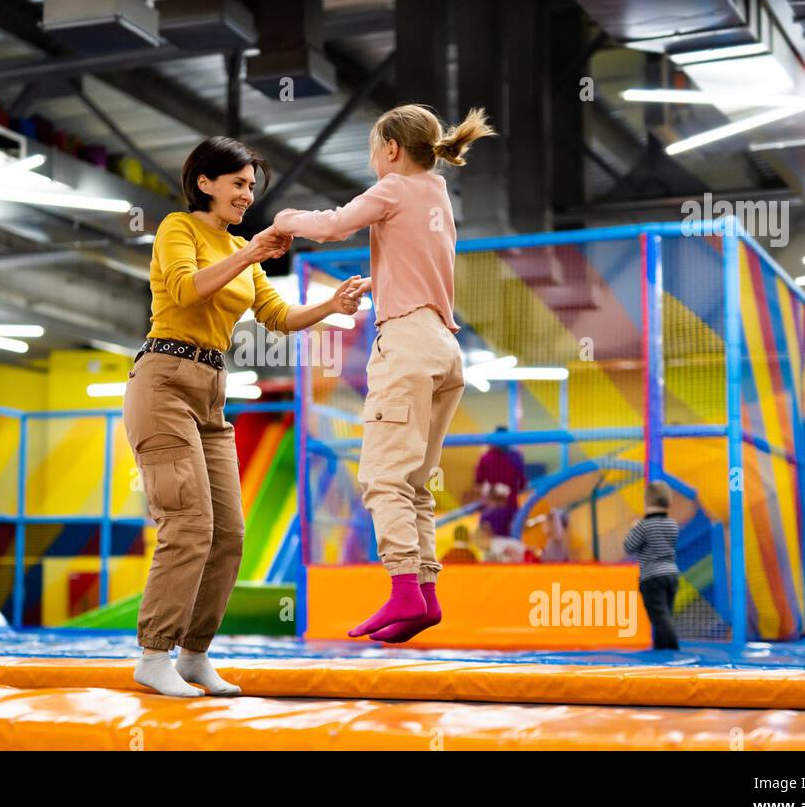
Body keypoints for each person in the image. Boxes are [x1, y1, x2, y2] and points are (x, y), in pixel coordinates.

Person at [125, 137, 369, 697]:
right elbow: (185, 292)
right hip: (163, 380)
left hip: (212, 390)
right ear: (205, 183)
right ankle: (153, 653)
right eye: (237, 183)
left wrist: (332, 307)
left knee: (229, 533)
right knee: (187, 525)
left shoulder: (242, 249)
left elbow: (278, 317)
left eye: (251, 186)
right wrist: (249, 252)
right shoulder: (177, 229)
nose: (246, 194)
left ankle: (194, 654)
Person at [275, 105, 496, 644]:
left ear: (391, 149)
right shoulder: (437, 195)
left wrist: (284, 220)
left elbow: (330, 226)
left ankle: (402, 589)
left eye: (374, 150)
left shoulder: (395, 187)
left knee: (381, 478)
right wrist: (370, 287)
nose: (374, 161)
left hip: (407, 345)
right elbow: (419, 262)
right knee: (414, 482)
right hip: (444, 347)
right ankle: (424, 594)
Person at [623, 481, 680, 650]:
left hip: (652, 576)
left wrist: (633, 529)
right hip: (671, 573)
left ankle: (671, 644)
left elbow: (629, 546)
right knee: (665, 613)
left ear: (647, 501)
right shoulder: (672, 524)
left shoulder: (644, 525)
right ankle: (662, 648)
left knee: (659, 616)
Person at [476, 424, 528, 538]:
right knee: (512, 541)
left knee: (491, 543)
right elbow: (523, 483)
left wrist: (488, 497)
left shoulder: (485, 457)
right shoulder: (515, 457)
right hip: (511, 508)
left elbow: (478, 482)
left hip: (493, 507)